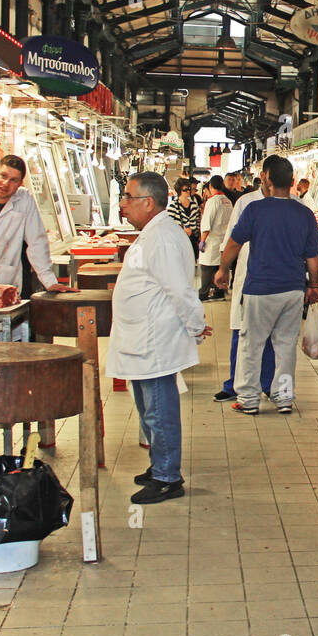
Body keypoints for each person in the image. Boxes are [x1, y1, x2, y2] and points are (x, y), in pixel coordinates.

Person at [109, 171, 211, 505]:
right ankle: (159, 466)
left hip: (154, 338)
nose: (123, 204)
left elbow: (179, 290)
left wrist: (196, 324)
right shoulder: (153, 233)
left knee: (158, 408)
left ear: (148, 203)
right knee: (147, 408)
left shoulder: (162, 237)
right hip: (142, 338)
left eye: (128, 197)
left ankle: (168, 476)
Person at [216, 155, 318, 414]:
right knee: (285, 346)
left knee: (252, 345)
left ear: (267, 179)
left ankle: (250, 400)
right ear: (293, 182)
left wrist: (221, 270)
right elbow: (313, 256)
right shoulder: (305, 214)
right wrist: (314, 285)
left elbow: (234, 243)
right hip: (293, 290)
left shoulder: (255, 210)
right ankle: (283, 397)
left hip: (260, 289)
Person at [0, 154, 74, 301]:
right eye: (3, 175)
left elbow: (37, 241)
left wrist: (50, 282)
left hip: (7, 286)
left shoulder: (24, 199)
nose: (5, 183)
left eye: (13, 180)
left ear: (20, 183)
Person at [212, 175, 277, 402]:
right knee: (240, 331)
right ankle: (233, 384)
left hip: (278, 278)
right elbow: (232, 238)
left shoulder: (293, 203)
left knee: (271, 334)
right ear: (264, 178)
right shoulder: (246, 202)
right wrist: (224, 267)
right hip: (247, 273)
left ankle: (268, 384)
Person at [198, 174, 231, 301]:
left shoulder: (212, 202)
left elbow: (207, 224)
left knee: (206, 268)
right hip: (223, 240)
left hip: (211, 240)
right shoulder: (227, 201)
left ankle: (204, 293)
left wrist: (202, 241)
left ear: (211, 186)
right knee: (219, 267)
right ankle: (219, 292)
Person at [168, 177, 200, 258]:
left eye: (189, 189)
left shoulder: (194, 205)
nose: (188, 191)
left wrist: (196, 234)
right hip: (178, 241)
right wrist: (182, 229)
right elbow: (169, 224)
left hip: (192, 241)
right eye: (185, 189)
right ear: (179, 191)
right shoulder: (173, 206)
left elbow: (197, 221)